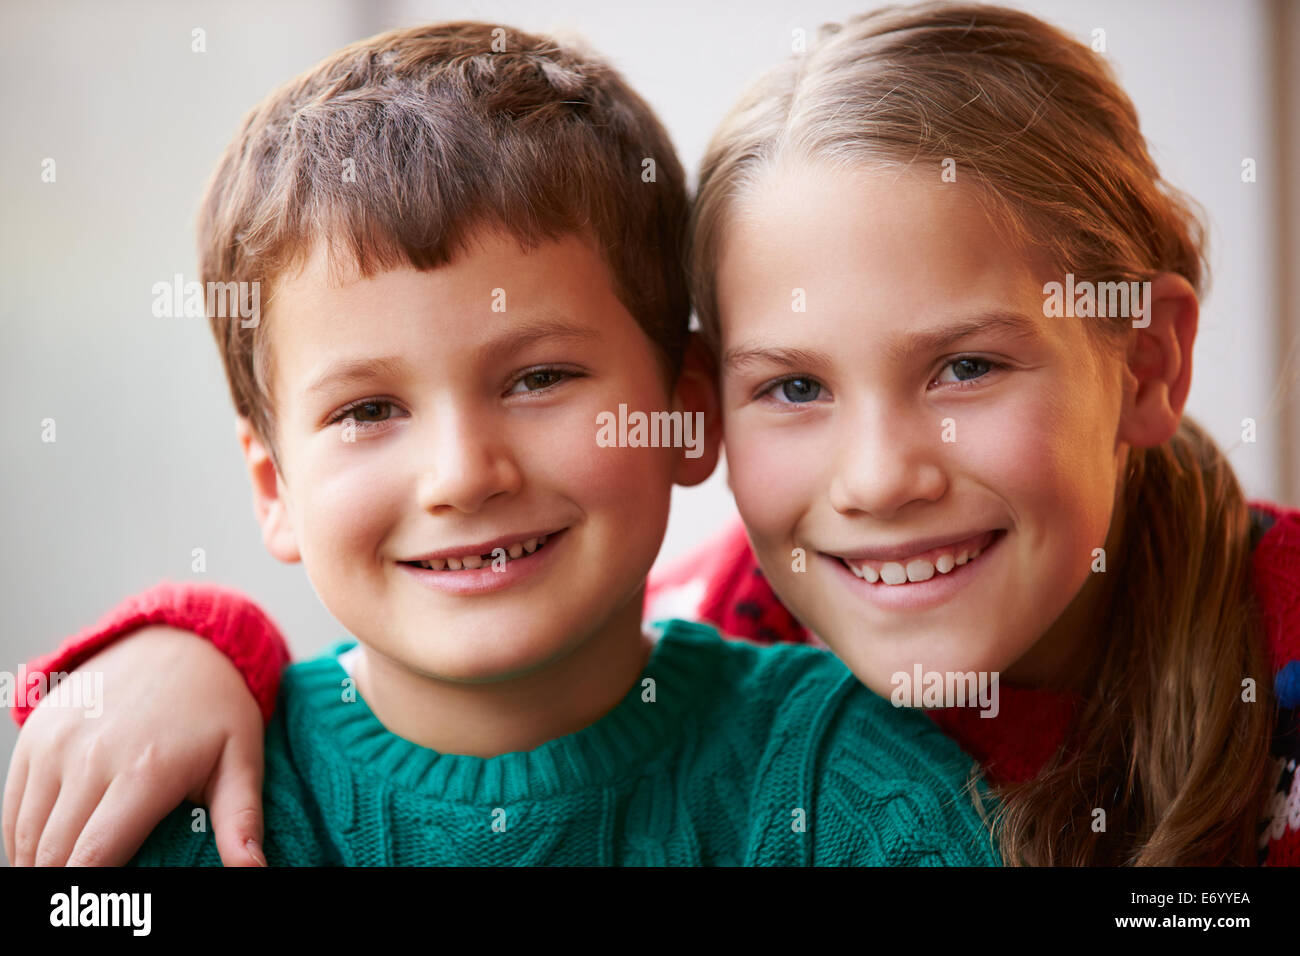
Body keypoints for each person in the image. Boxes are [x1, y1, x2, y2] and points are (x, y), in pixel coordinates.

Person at [3, 18, 999, 868]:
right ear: (274, 485)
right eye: (368, 410)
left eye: (538, 380)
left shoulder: (856, 794)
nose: (464, 473)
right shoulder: (199, 809)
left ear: (687, 412)